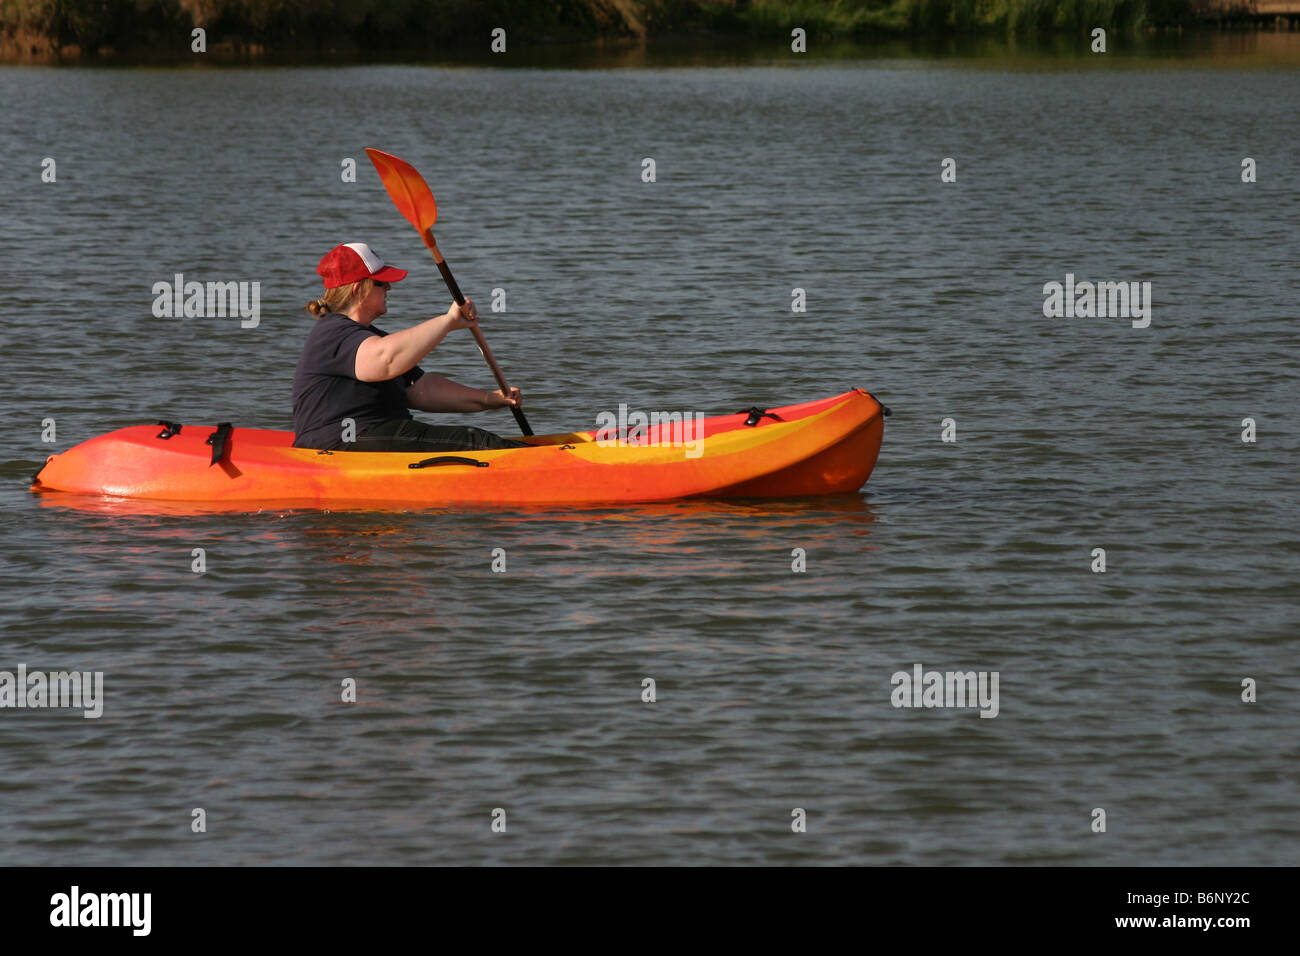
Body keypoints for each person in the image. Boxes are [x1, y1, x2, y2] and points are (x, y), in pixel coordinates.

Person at [292, 242, 529, 453]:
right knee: (476, 441)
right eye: (382, 283)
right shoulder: (332, 333)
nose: (389, 289)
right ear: (358, 289)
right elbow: (384, 361)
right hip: (337, 444)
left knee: (474, 438)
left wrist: (489, 399)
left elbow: (420, 389)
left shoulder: (368, 337)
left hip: (373, 437)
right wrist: (447, 322)